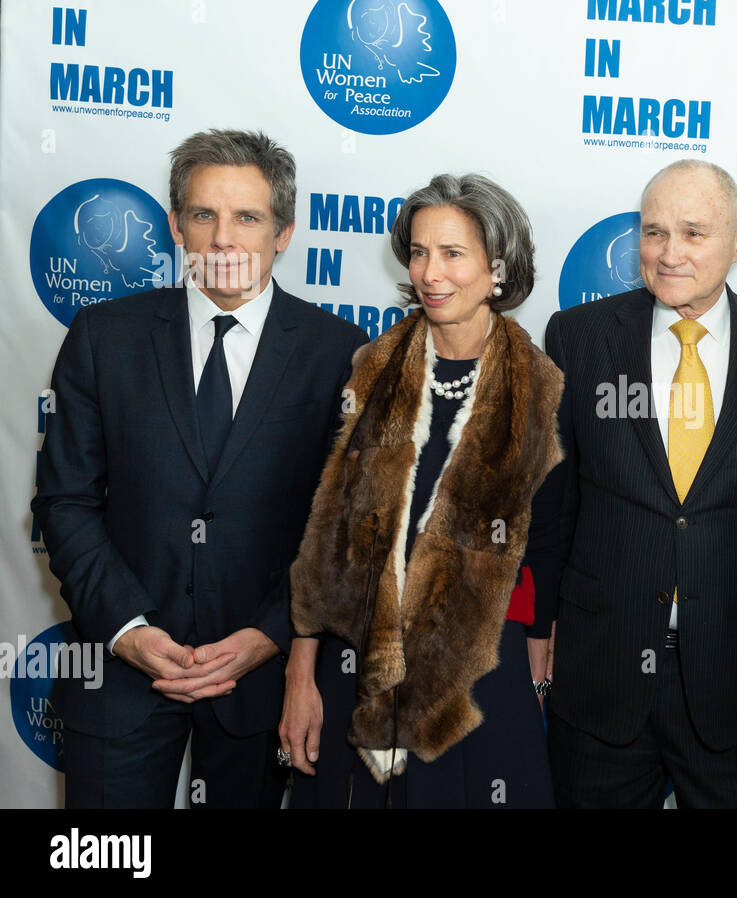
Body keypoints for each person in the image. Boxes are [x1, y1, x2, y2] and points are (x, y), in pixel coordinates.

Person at [32, 129, 368, 808]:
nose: (223, 239)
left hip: (263, 688)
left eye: (247, 217)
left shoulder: (342, 353)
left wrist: (268, 637)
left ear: (285, 232)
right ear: (173, 226)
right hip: (117, 679)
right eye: (203, 215)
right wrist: (128, 631)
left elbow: (343, 529)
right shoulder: (105, 337)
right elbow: (64, 502)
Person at [281, 173, 564, 808]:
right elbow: (322, 546)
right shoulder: (367, 369)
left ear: (498, 267)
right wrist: (301, 677)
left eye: (453, 253)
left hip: (484, 675)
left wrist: (537, 660)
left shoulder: (544, 391)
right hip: (354, 663)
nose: (429, 271)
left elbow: (548, 546)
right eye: (418, 251)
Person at [544, 160, 737, 808]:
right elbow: (554, 504)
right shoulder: (579, 339)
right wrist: (534, 629)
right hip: (601, 672)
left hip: (735, 683)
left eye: (693, 233)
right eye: (654, 232)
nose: (669, 253)